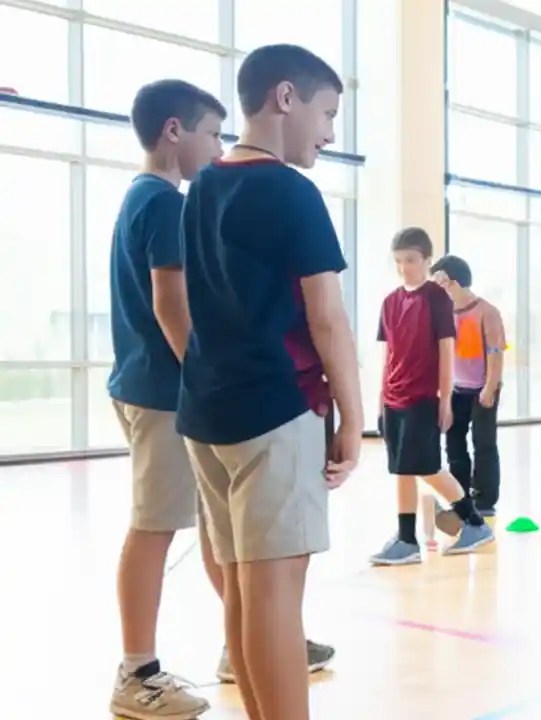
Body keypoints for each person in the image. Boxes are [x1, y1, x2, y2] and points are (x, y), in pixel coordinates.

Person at [176, 45, 362, 720]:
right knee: (276, 593)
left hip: (206, 410)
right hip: (276, 411)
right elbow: (329, 319)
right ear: (285, 98)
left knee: (244, 592)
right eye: (326, 112)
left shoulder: (202, 187)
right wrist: (352, 415)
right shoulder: (290, 190)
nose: (331, 132)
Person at [105, 78, 225, 720]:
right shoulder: (165, 204)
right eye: (212, 132)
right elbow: (169, 302)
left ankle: (242, 640)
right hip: (160, 391)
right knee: (153, 528)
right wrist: (202, 373)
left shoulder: (142, 198)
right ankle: (137, 674)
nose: (218, 147)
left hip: (148, 383)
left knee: (211, 522)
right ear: (175, 131)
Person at [369, 228, 496, 565]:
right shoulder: (390, 302)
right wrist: (380, 398)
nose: (404, 267)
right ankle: (407, 538)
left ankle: (473, 522)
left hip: (422, 398)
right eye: (398, 261)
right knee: (402, 469)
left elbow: (445, 350)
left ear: (426, 260)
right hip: (393, 399)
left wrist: (443, 400)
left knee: (426, 467)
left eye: (410, 260)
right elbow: (388, 354)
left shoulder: (436, 299)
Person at [430, 254, 505, 517]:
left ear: (455, 282)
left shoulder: (487, 312)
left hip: (482, 388)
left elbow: (496, 353)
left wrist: (489, 387)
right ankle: (459, 494)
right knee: (453, 442)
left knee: (483, 443)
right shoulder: (443, 314)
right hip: (455, 390)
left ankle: (485, 500)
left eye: (441, 283)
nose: (437, 290)